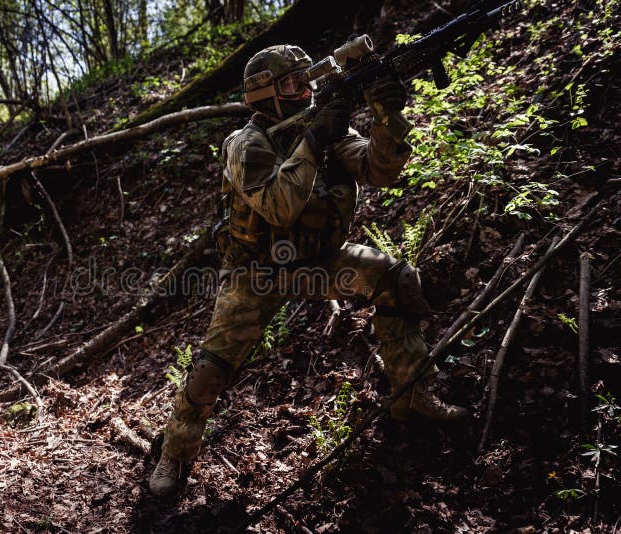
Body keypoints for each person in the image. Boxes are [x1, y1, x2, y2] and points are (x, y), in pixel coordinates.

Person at [149, 45, 467, 497]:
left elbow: (379, 171)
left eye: (306, 80)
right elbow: (278, 207)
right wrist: (313, 142)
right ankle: (175, 454)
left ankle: (411, 396)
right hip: (255, 273)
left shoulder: (325, 127)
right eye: (292, 84)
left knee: (395, 279)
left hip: (317, 263)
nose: (306, 90)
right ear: (265, 96)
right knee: (211, 370)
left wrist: (386, 116)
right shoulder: (245, 144)